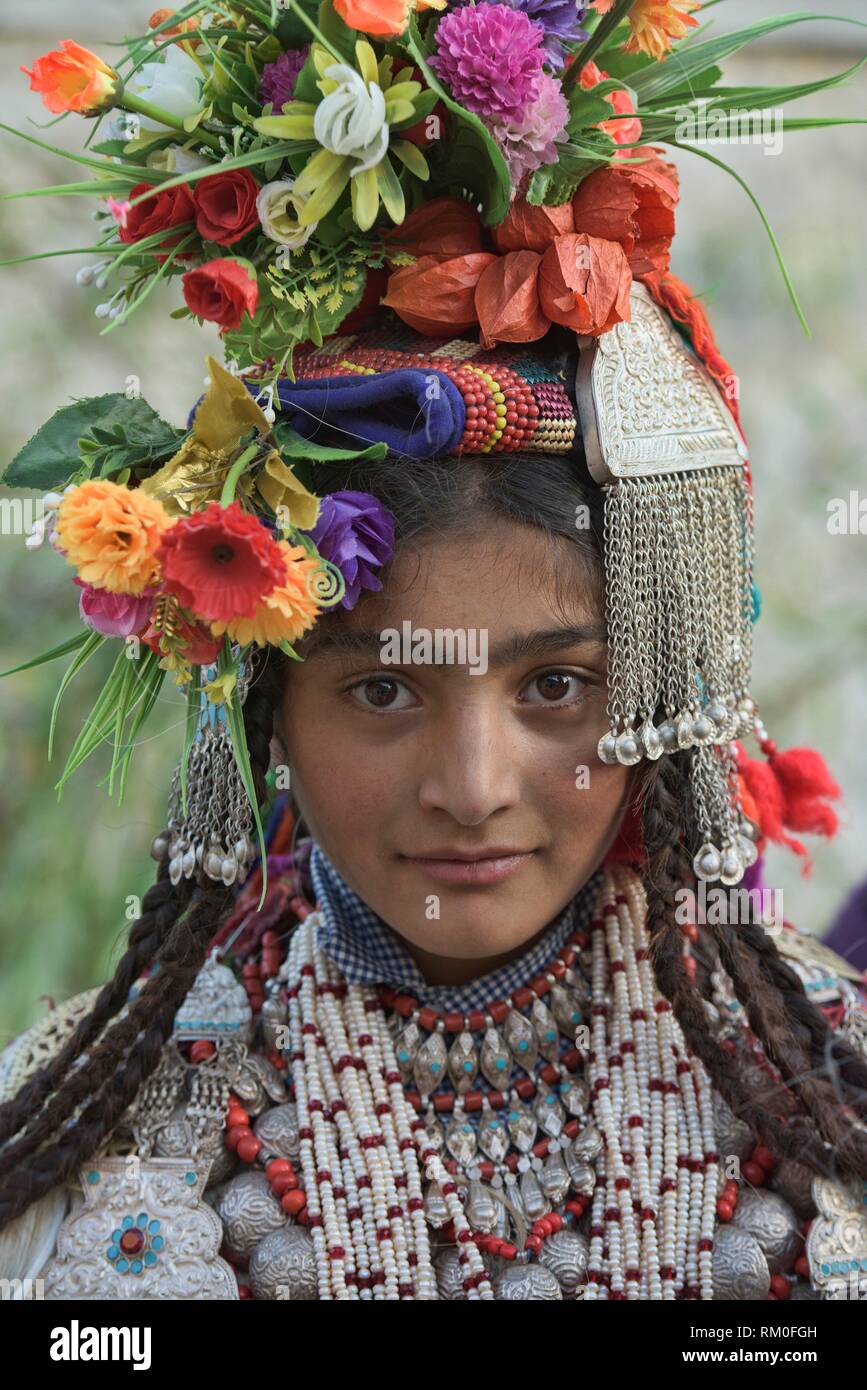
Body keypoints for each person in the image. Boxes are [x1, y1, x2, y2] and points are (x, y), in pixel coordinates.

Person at [1, 1, 866, 1302]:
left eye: (559, 684)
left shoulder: (825, 1100)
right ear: (263, 700)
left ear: (666, 683)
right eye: (386, 687)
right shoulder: (76, 1138)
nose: (474, 785)